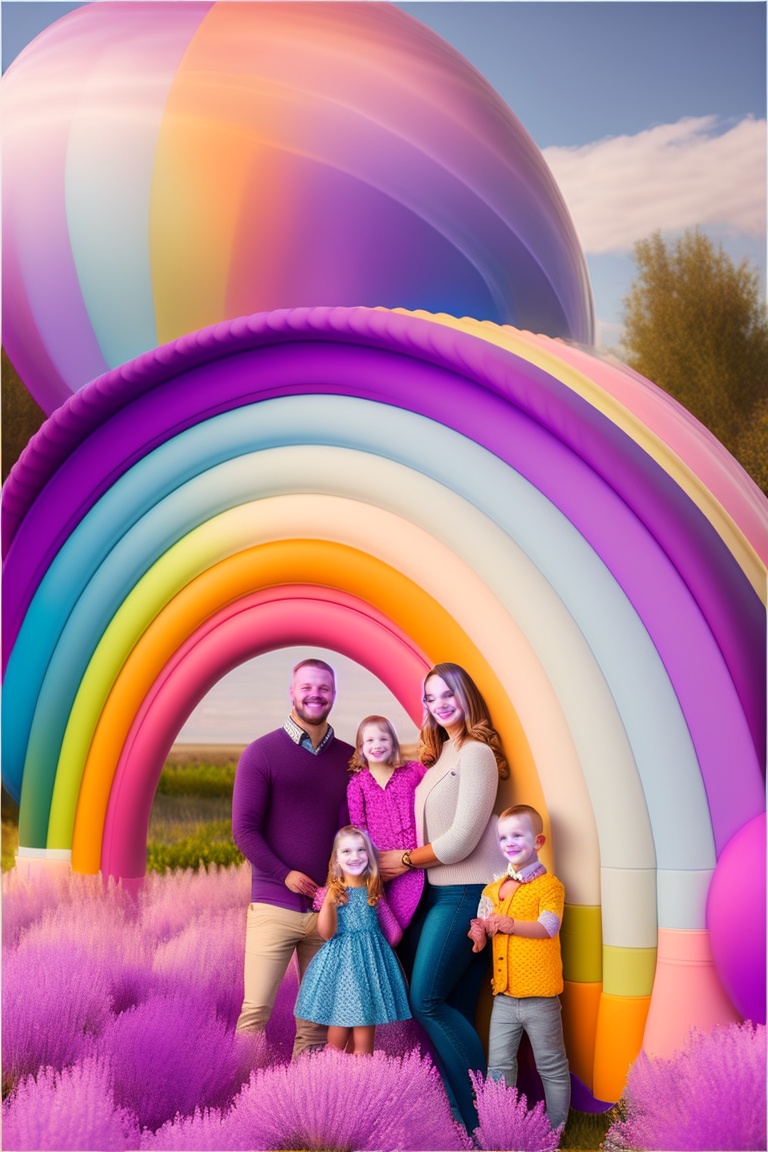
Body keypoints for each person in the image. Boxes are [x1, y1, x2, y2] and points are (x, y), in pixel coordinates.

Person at [378, 662, 508, 1130]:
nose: (439, 703)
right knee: (457, 1006)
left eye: (446, 693)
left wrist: (405, 860)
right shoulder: (442, 757)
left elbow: (461, 840)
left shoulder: (476, 754)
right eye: (430, 697)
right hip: (436, 895)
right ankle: (466, 1121)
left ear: (464, 694)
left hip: (464, 894)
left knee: (425, 1002)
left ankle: (486, 1120)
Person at [231, 657, 353, 1057]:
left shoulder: (350, 759)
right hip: (273, 906)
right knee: (255, 1013)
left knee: (314, 1024)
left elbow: (352, 833)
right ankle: (236, 1102)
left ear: (334, 694)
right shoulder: (261, 753)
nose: (315, 694)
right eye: (307, 687)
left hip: (327, 911)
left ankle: (303, 1110)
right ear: (292, 691)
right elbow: (244, 831)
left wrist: (338, 888)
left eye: (324, 688)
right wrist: (284, 875)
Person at [468, 804, 570, 1132]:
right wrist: (479, 933)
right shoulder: (492, 890)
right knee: (498, 1065)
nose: (509, 842)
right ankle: (501, 1126)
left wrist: (510, 924)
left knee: (551, 1065)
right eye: (503, 837)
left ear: (538, 841)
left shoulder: (549, 886)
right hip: (505, 997)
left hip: (541, 997)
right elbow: (483, 922)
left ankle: (555, 1131)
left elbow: (549, 927)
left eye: (517, 835)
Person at [295, 826, 411, 1055]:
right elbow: (326, 933)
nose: (355, 856)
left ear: (369, 856)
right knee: (342, 1031)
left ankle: (352, 1078)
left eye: (361, 850)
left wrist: (380, 943)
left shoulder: (373, 891)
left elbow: (394, 933)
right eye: (346, 851)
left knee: (360, 1033)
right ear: (336, 859)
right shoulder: (335, 892)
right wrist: (328, 903)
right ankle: (340, 1079)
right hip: (344, 970)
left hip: (366, 968)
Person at [346, 715, 426, 931]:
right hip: (382, 870)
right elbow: (359, 829)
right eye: (369, 741)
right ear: (361, 748)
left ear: (393, 742)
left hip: (417, 862)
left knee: (416, 924)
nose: (377, 745)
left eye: (383, 739)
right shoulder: (358, 784)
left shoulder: (413, 772)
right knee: (390, 930)